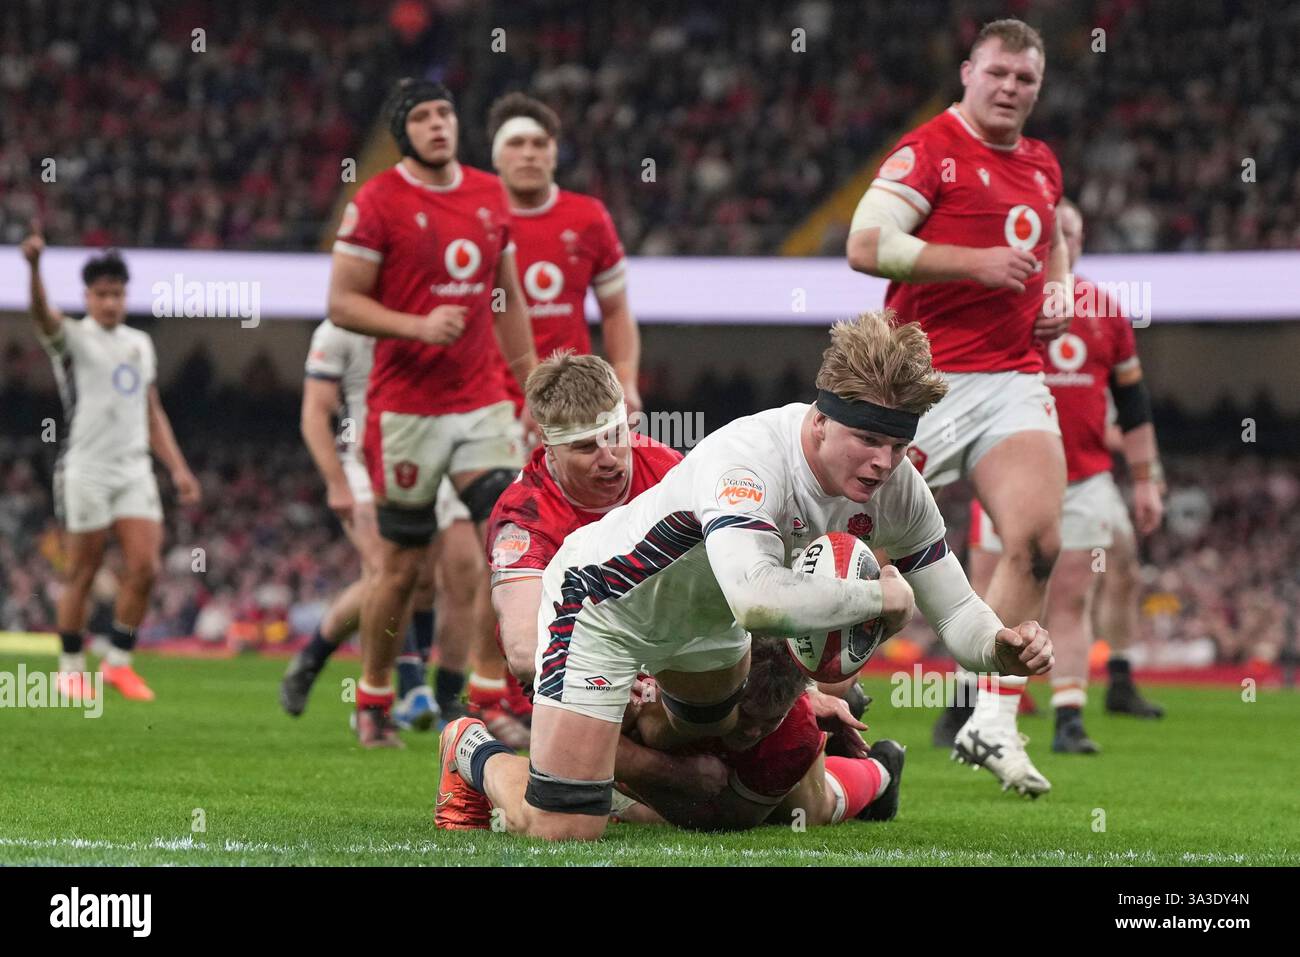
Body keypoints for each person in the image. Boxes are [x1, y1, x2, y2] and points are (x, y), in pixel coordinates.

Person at [437, 310, 1054, 840]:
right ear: (819, 420)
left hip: (709, 628)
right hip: (605, 611)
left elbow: (954, 609)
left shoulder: (897, 487)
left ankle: (600, 768)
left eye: (897, 446)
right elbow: (757, 599)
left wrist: (1002, 647)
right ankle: (472, 748)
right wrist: (875, 597)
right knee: (566, 829)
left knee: (726, 795)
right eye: (867, 439)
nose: (883, 462)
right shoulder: (750, 459)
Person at [846, 18, 1069, 795]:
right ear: (969, 73)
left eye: (1026, 80)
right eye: (999, 74)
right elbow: (866, 244)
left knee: (1038, 540)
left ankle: (991, 718)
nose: (1011, 89)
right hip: (923, 378)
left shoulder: (1042, 164)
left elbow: (1053, 242)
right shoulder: (931, 148)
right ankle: (799, 698)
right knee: (844, 538)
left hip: (1011, 375)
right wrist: (976, 264)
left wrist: (1060, 291)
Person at [327, 78, 538, 746]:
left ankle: (485, 694)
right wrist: (417, 327)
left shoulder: (487, 195)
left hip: (481, 404)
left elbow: (507, 299)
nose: (439, 124)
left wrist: (531, 385)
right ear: (403, 131)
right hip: (404, 412)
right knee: (401, 569)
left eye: (445, 111)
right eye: (422, 116)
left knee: (505, 545)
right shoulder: (377, 201)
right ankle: (374, 698)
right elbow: (341, 302)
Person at [462, 92, 643, 733]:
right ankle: (492, 685)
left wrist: (625, 381)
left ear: (555, 152)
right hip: (489, 402)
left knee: (584, 539)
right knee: (493, 545)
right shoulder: (476, 214)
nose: (531, 153)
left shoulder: (587, 217)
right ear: (495, 155)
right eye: (517, 143)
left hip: (573, 415)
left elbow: (617, 310)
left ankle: (558, 685)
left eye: (541, 143)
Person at [966, 199, 1166, 752]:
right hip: (1007, 481)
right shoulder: (1004, 305)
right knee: (987, 595)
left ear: (1080, 240)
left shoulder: (1106, 310)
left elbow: (1133, 406)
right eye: (1058, 232)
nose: (1066, 242)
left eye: (1073, 232)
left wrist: (1147, 478)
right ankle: (976, 708)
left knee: (1073, 595)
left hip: (1081, 480)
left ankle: (1069, 717)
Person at [21, 225, 201, 701]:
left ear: (125, 296)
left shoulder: (140, 344)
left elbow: (152, 410)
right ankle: (70, 667)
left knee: (145, 567)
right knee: (83, 569)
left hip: (133, 470)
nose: (109, 303)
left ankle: (119, 662)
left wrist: (178, 468)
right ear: (87, 296)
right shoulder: (74, 339)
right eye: (101, 294)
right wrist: (35, 267)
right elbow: (41, 315)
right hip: (85, 468)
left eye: (117, 294)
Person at [282, 318, 481, 731]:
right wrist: (337, 482)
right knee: (391, 572)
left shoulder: (428, 318)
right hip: (364, 466)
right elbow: (314, 413)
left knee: (432, 580)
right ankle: (405, 689)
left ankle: (316, 653)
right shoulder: (338, 330)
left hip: (432, 460)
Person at [613, 639, 905, 831]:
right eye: (748, 715)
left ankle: (881, 768)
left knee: (807, 815)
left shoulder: (793, 727)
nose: (753, 730)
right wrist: (670, 774)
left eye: (770, 719)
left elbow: (733, 819)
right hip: (693, 683)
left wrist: (634, 775)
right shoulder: (663, 675)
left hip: (780, 718)